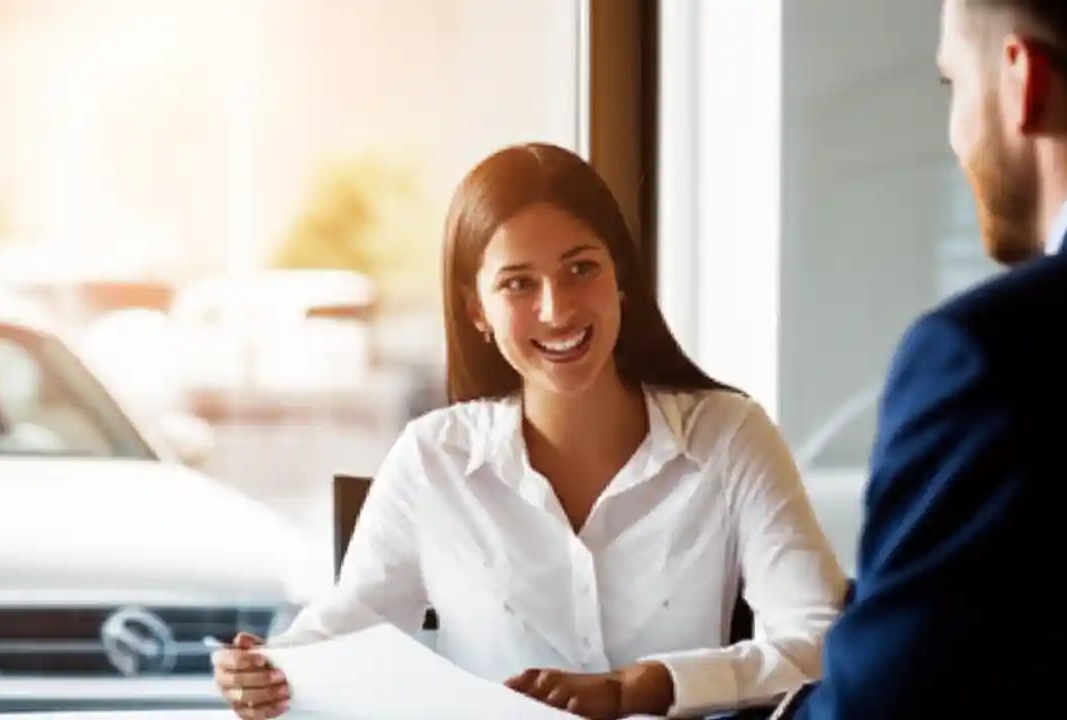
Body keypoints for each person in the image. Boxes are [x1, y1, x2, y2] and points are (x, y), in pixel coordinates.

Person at [213, 143, 848, 720]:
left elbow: (820, 644)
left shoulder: (728, 437)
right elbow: (349, 629)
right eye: (518, 284)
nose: (557, 309)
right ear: (476, 310)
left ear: (619, 277)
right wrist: (264, 671)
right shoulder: (434, 457)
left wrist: (643, 687)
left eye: (581, 269)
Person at [777, 1, 1067, 717]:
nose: (953, 137)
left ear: (1020, 78)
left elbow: (883, 704)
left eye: (953, 85)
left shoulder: (991, 354)